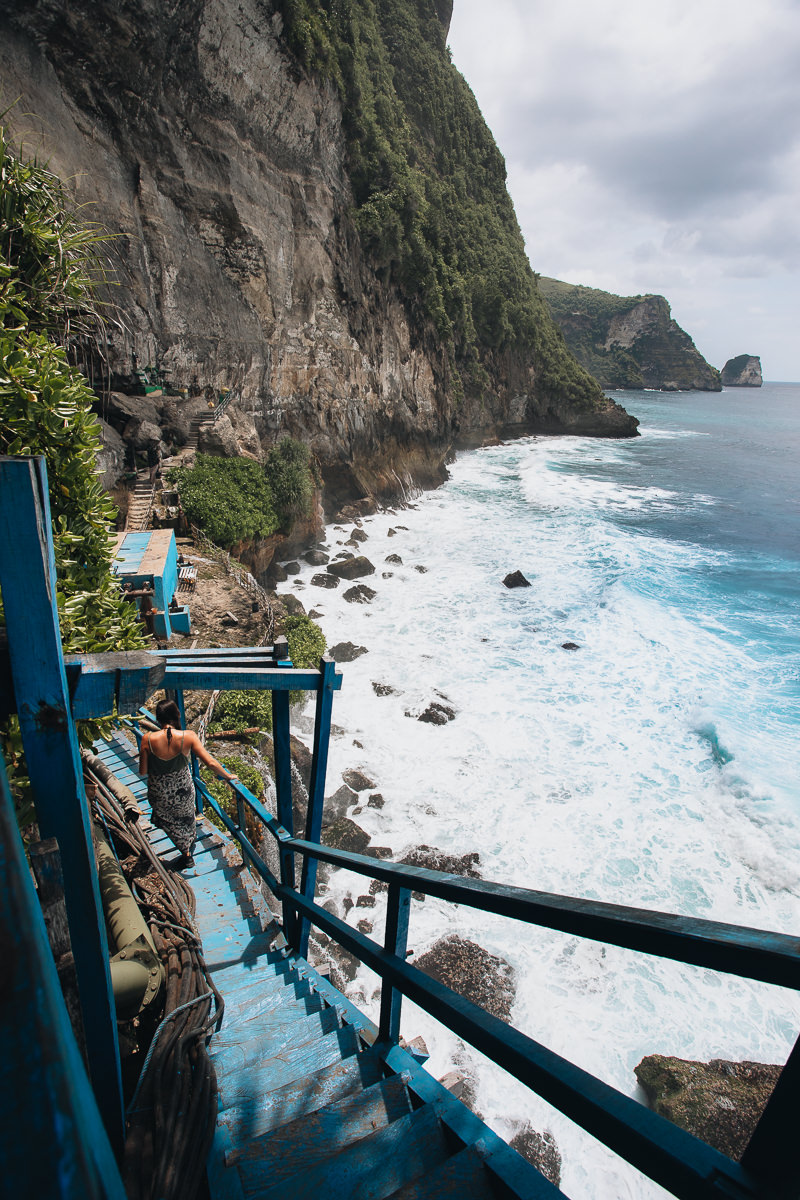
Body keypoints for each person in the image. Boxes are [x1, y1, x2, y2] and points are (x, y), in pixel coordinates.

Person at [138, 699, 239, 868]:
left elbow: (142, 771)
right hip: (182, 791)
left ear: (158, 718)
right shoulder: (188, 736)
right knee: (185, 819)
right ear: (176, 715)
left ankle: (184, 851)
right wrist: (227, 776)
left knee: (166, 819)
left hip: (159, 792)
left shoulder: (147, 739)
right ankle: (187, 851)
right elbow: (211, 763)